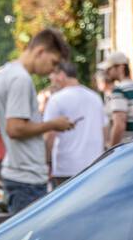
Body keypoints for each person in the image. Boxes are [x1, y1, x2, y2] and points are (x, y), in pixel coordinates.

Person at [0, 28, 75, 213]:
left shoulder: (5, 73)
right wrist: (53, 124)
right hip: (27, 178)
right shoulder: (21, 79)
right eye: (54, 62)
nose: (53, 69)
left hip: (18, 173)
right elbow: (15, 128)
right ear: (40, 51)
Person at [44, 60, 106, 189]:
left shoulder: (56, 99)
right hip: (94, 167)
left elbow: (49, 135)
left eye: (52, 75)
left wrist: (46, 161)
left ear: (61, 75)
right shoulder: (95, 97)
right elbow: (105, 131)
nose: (51, 79)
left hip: (65, 168)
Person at [103, 50, 133, 147]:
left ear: (121, 67)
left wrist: (111, 150)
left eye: (109, 68)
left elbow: (119, 124)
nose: (107, 72)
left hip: (127, 149)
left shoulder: (119, 90)